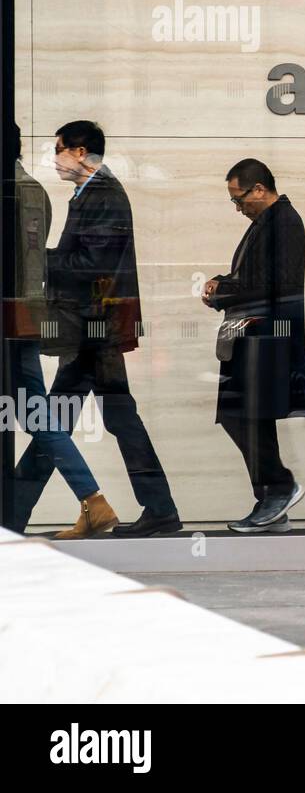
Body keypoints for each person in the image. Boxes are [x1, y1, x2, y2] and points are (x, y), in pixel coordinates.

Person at [46, 120, 180, 537]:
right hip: (92, 327)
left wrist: (38, 261)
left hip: (94, 327)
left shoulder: (103, 193)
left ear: (80, 152)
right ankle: (154, 509)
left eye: (59, 150)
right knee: (80, 418)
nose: (55, 159)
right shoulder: (90, 193)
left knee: (52, 420)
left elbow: (94, 266)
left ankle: (17, 512)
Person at [6, 126, 118, 537]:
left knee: (40, 414)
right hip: (27, 317)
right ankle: (92, 501)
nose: (56, 157)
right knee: (39, 414)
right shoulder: (35, 190)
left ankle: (91, 501)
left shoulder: (10, 191)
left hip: (11, 318)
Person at [202, 159, 305, 533]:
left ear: (260, 189)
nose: (238, 207)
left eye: (240, 198)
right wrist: (223, 282)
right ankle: (271, 502)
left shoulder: (284, 222)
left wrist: (223, 295)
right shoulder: (265, 223)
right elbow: (254, 277)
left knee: (245, 416)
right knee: (245, 417)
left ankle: (279, 488)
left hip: (267, 336)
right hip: (252, 335)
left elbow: (279, 286)